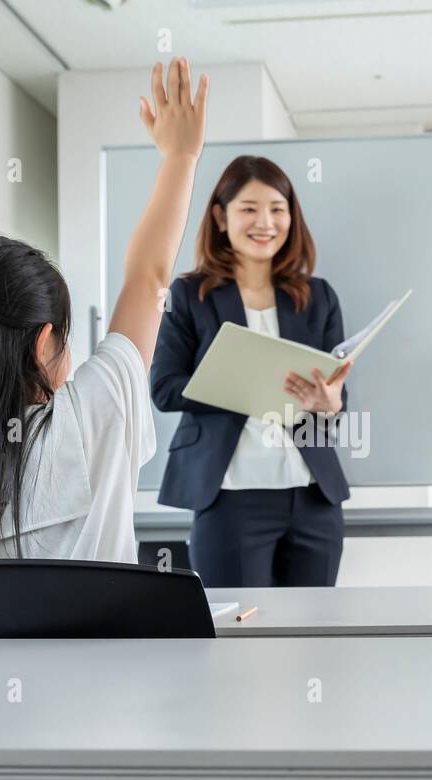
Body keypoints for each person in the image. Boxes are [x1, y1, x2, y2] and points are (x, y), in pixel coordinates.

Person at [0, 59, 208, 566]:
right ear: (42, 344)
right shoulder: (95, 417)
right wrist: (181, 155)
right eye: (65, 339)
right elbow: (149, 279)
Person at [150, 156, 350, 587]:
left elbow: (337, 398)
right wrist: (238, 383)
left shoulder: (317, 297)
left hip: (313, 499)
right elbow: (164, 388)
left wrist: (330, 403)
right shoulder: (189, 295)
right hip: (229, 498)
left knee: (313, 636)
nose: (266, 222)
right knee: (239, 638)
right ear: (221, 217)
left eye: (278, 209)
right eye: (249, 209)